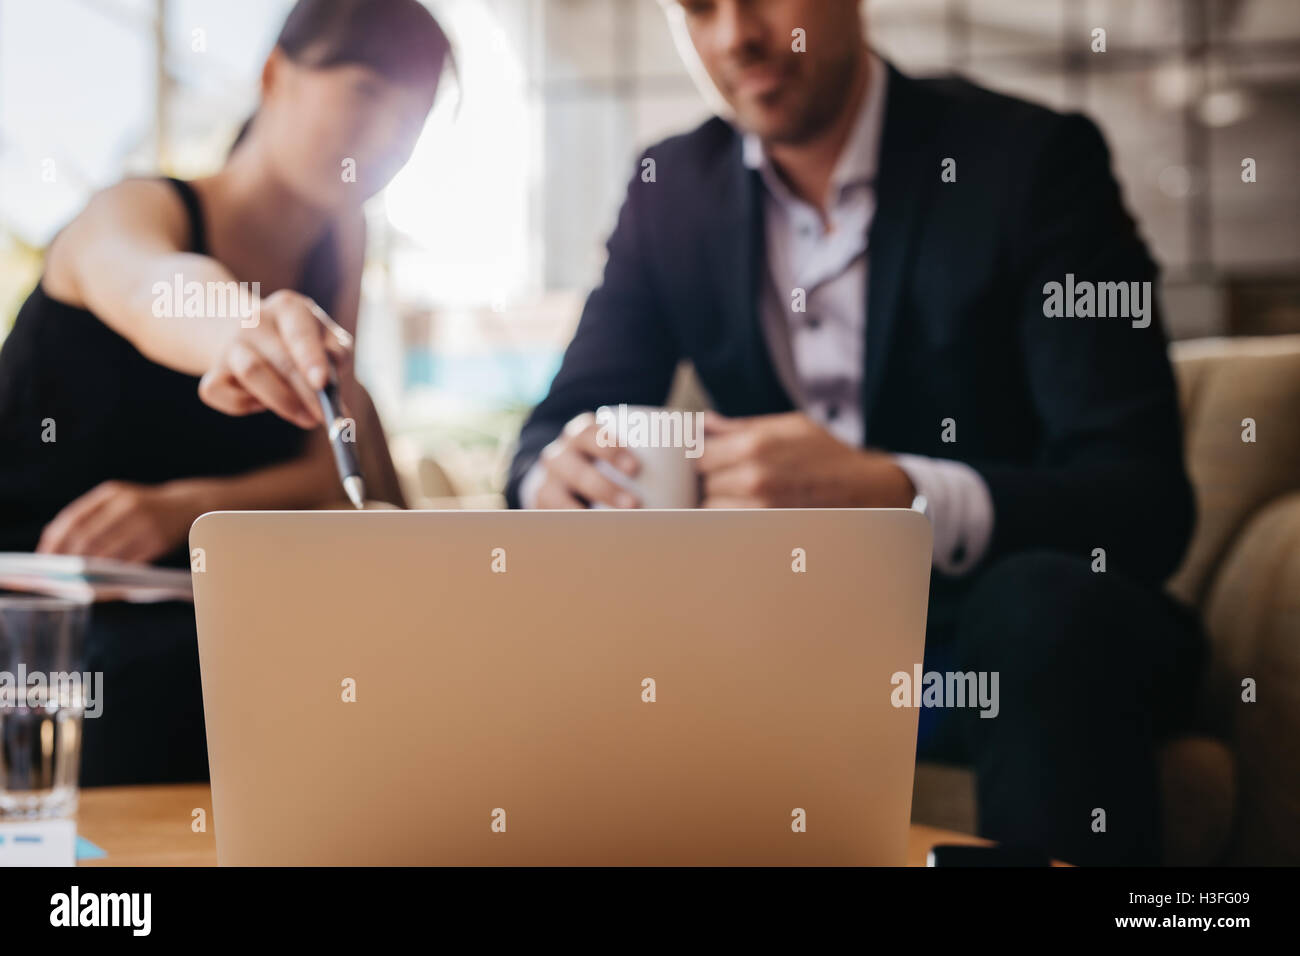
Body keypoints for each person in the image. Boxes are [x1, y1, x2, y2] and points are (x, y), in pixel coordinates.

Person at [507, 0, 1204, 865]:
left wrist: (895, 491)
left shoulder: (1027, 161)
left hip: (1019, 630)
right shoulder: (671, 190)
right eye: (697, 7)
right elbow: (550, 431)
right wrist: (559, 472)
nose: (736, 36)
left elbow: (1141, 502)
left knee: (1038, 613)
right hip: (784, 636)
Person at [0, 0, 452, 783]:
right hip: (41, 612)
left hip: (192, 611)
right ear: (274, 75)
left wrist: (182, 507)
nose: (387, 142)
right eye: (366, 95)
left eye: (413, 121)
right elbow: (154, 291)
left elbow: (323, 475)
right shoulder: (133, 208)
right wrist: (246, 330)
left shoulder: (340, 241)